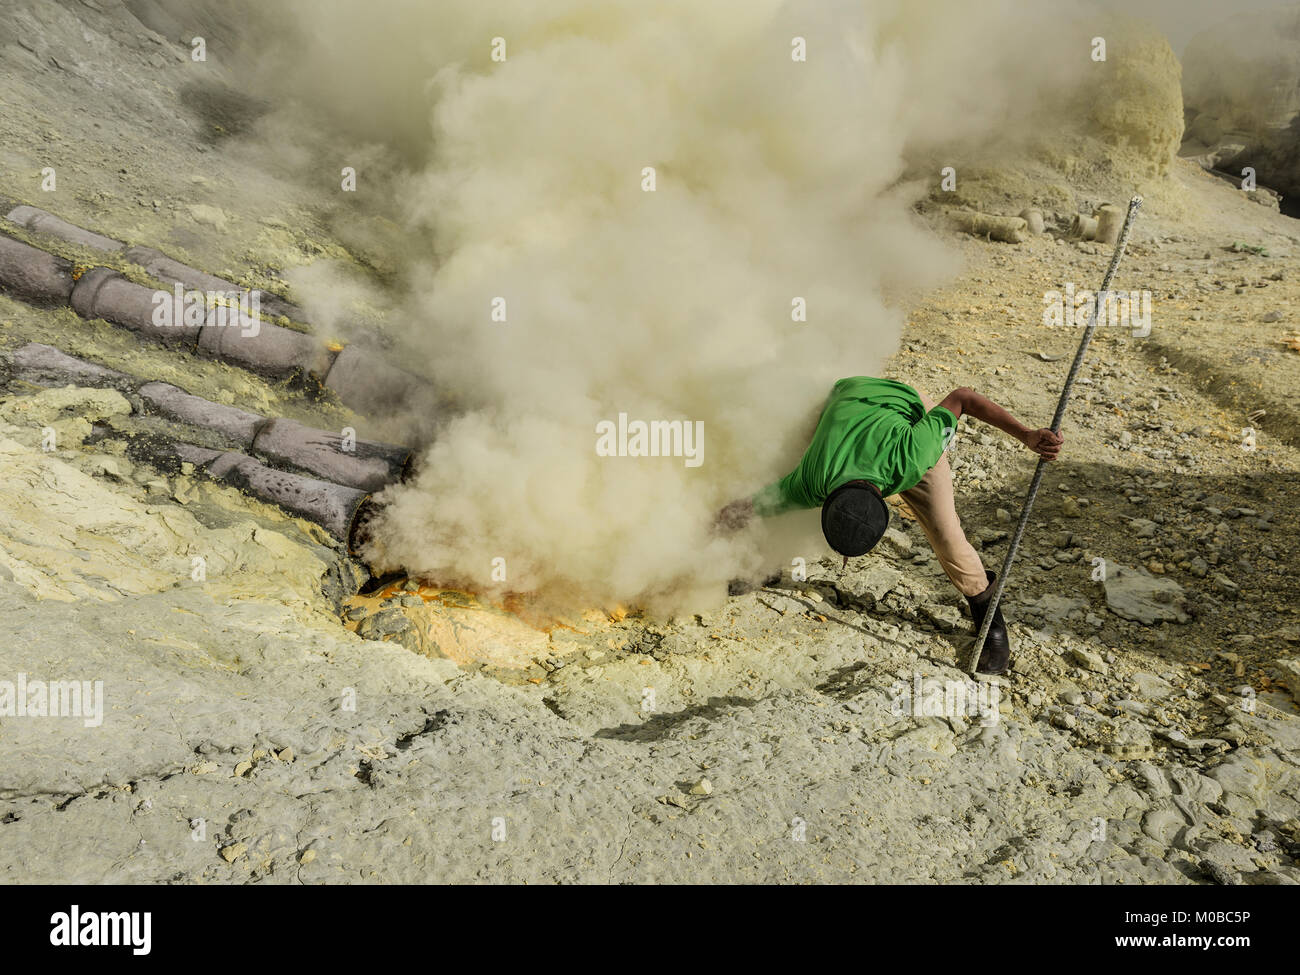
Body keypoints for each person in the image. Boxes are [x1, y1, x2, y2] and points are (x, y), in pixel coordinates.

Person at [715, 376, 1062, 676]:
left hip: (908, 409)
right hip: (848, 393)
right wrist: (712, 528)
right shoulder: (810, 480)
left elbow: (962, 397)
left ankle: (992, 625)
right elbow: (750, 506)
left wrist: (1026, 435)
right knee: (785, 459)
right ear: (827, 498)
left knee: (947, 535)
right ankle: (763, 562)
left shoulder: (913, 455)